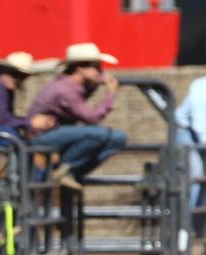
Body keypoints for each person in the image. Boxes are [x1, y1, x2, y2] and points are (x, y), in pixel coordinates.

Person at [25, 42, 130, 191]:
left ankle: (71, 173)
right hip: (42, 135)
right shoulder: (66, 89)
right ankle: (65, 171)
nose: (101, 72)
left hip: (56, 132)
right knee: (100, 133)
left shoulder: (74, 86)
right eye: (97, 67)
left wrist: (95, 83)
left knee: (118, 138)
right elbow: (92, 118)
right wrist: (111, 94)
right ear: (81, 69)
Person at [174, 59, 206, 234]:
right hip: (188, 131)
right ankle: (186, 228)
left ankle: (202, 229)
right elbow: (199, 122)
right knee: (195, 176)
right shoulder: (205, 87)